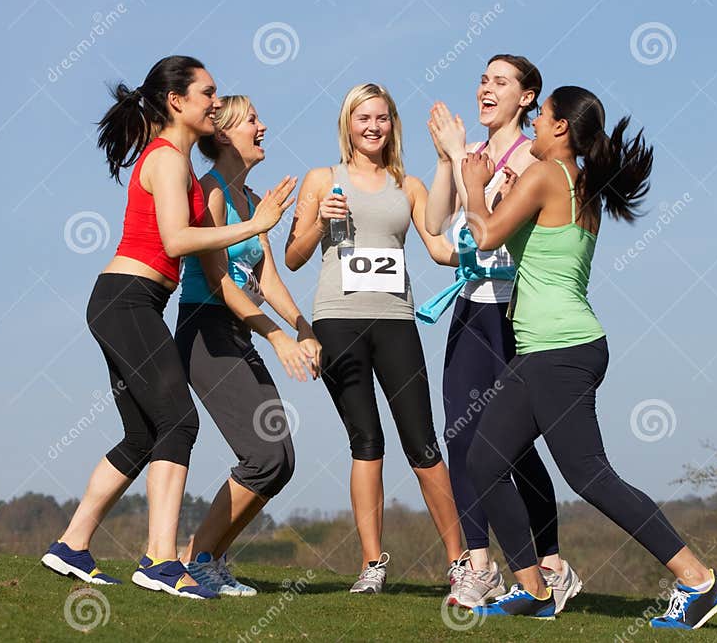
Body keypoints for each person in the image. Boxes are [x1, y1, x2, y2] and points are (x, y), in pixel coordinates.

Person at [452, 85, 717, 628]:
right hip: (549, 350)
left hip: (559, 350)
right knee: (485, 461)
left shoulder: (544, 175)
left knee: (590, 476)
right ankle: (534, 590)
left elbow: (483, 237)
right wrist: (499, 194)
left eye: (540, 117)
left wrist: (475, 186)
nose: (533, 124)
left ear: (560, 127)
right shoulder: (579, 182)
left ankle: (699, 580)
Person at [41, 56, 296, 600]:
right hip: (127, 301)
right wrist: (255, 225)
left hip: (130, 303)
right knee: (179, 422)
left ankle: (71, 545)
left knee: (143, 436)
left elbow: (204, 253)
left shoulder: (174, 160)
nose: (215, 102)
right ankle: (159, 560)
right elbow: (176, 239)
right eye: (208, 92)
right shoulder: (167, 159)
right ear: (177, 101)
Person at [284, 83, 462, 594]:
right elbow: (293, 256)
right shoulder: (323, 179)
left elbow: (438, 248)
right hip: (337, 320)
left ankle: (462, 562)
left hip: (396, 322)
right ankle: (372, 566)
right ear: (348, 124)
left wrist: (482, 255)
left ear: (392, 125)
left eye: (381, 118)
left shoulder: (410, 185)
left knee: (423, 441)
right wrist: (320, 222)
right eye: (363, 117)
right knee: (366, 440)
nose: (373, 126)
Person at [420, 54, 581, 612]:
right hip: (470, 307)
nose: (486, 88)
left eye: (501, 81)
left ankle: (551, 563)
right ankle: (479, 566)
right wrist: (447, 160)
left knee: (512, 446)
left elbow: (491, 228)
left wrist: (472, 175)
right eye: (483, 79)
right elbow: (436, 225)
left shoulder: (533, 156)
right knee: (462, 438)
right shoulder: (469, 153)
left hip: (513, 311)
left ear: (527, 97)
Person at [174, 95, 320, 596]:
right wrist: (275, 335)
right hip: (206, 333)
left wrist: (302, 326)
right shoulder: (211, 192)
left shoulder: (255, 201)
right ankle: (197, 558)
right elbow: (220, 281)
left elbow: (267, 278)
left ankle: (208, 557)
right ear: (223, 135)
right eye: (252, 120)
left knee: (280, 460)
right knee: (264, 455)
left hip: (238, 330)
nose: (263, 126)